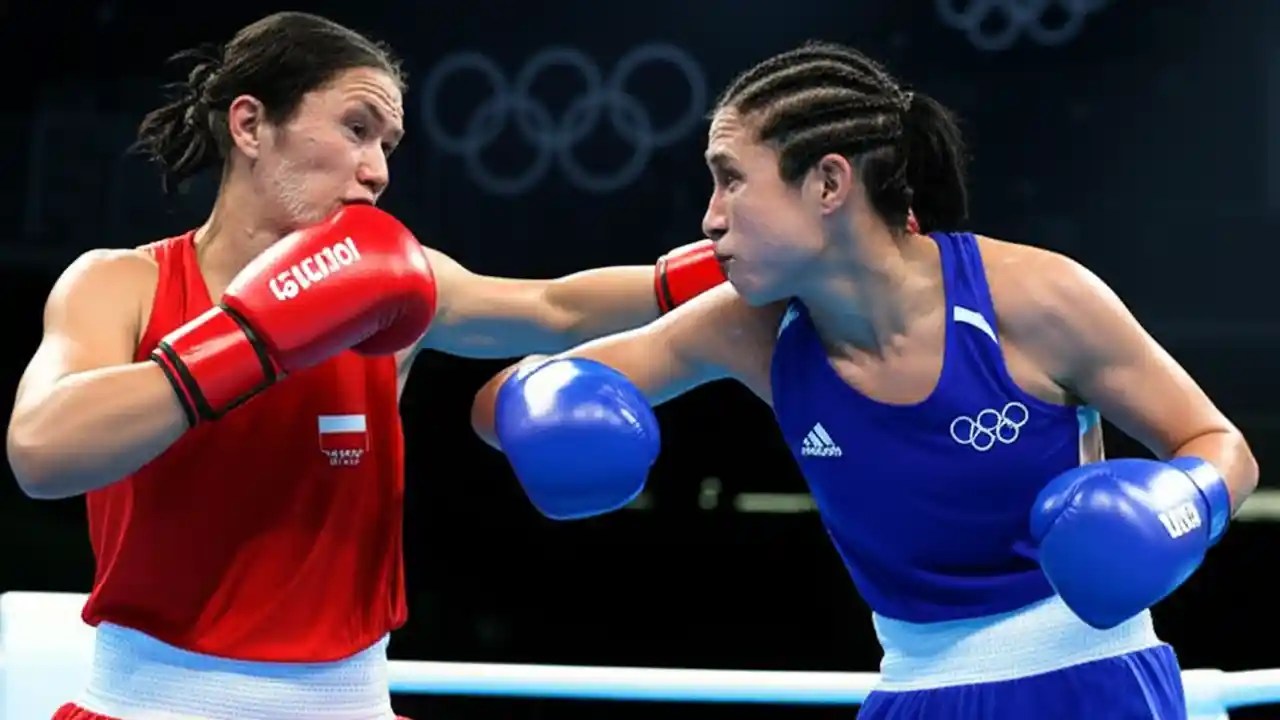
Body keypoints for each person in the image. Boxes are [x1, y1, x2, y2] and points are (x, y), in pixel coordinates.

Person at [471, 40, 1259, 719]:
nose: (711, 216)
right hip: (913, 690)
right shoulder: (749, 327)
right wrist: (535, 404)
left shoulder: (1034, 299)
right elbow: (509, 395)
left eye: (731, 179)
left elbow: (1219, 445)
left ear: (828, 183)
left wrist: (1175, 507)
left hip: (1095, 683)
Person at [5, 12, 726, 720]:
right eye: (356, 129)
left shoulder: (389, 296)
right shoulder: (122, 285)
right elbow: (41, 451)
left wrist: (735, 264)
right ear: (251, 125)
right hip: (151, 706)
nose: (377, 170)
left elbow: (554, 307)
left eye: (388, 144)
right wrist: (253, 339)